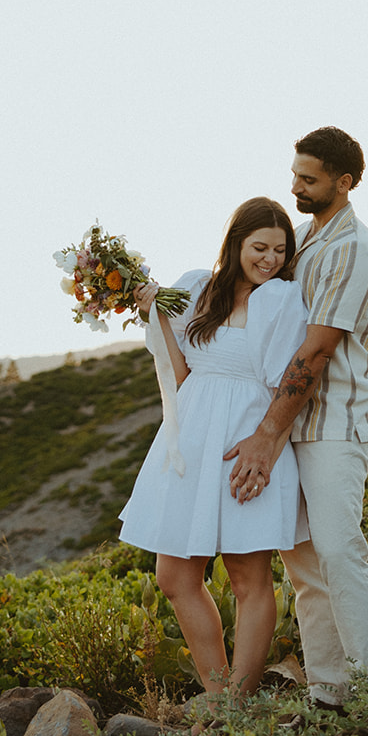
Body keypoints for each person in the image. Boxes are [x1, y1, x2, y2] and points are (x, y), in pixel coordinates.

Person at [225, 127, 368, 708]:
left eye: (308, 179)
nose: (295, 186)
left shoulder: (352, 248)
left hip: (334, 424)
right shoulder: (308, 241)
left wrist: (266, 435)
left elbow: (317, 351)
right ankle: (328, 696)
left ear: (343, 183)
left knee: (340, 551)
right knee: (305, 567)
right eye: (294, 174)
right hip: (293, 421)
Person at [119, 197, 308, 701]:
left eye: (280, 250)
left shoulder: (282, 299)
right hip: (194, 437)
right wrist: (156, 316)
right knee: (174, 575)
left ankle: (235, 706)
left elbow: (291, 384)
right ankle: (218, 695)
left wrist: (265, 449)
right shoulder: (198, 287)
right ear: (236, 243)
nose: (270, 259)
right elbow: (182, 372)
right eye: (260, 247)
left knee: (248, 579)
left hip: (248, 441)